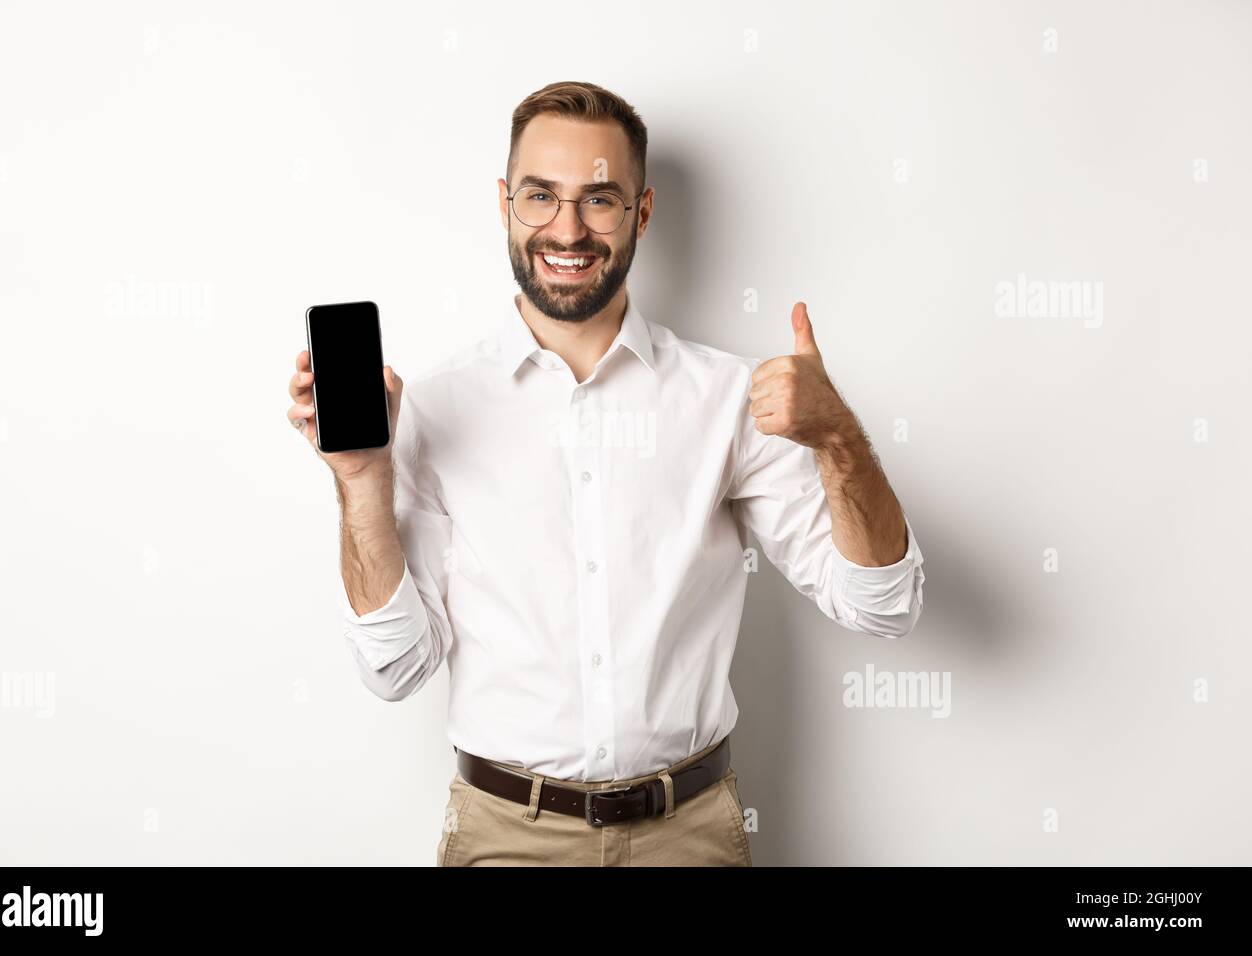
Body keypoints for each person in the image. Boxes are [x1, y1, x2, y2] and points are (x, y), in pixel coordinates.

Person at [286, 81, 926, 866]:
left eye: (599, 198)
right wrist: (360, 480)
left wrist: (839, 441)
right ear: (504, 203)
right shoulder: (431, 411)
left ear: (642, 213)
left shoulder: (729, 400)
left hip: (690, 837)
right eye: (540, 196)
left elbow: (883, 607)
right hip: (502, 840)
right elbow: (394, 668)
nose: (567, 227)